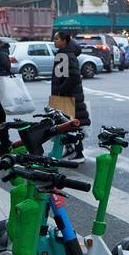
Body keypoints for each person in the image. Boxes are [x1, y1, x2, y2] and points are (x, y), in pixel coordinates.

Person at [51, 29, 87, 161]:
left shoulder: (65, 55)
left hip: (67, 96)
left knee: (69, 125)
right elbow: (62, 76)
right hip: (65, 95)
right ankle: (71, 149)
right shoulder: (63, 54)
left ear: (64, 41)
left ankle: (78, 153)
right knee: (65, 125)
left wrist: (60, 91)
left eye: (56, 39)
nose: (54, 41)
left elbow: (73, 77)